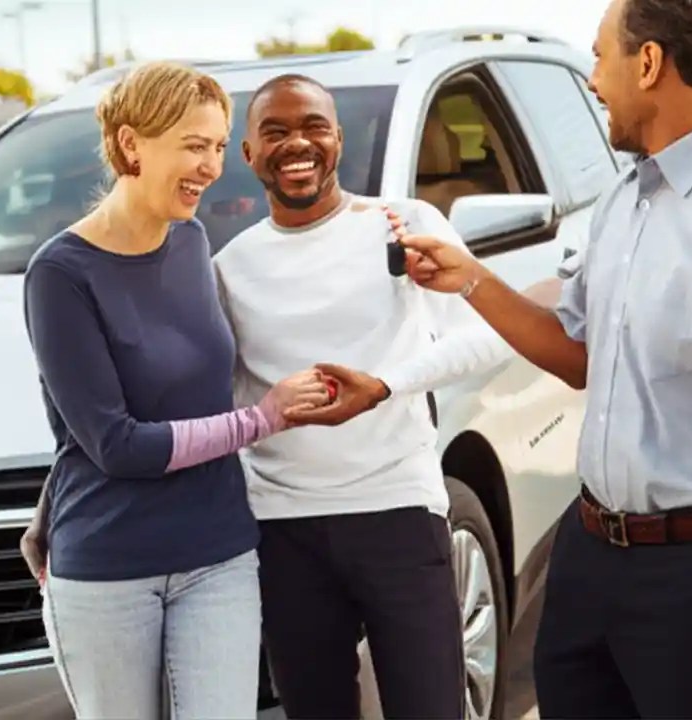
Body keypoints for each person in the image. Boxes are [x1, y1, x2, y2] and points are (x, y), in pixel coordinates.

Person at [395, 0, 692, 717]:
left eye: (601, 55)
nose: (593, 78)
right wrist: (469, 278)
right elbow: (579, 355)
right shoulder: (622, 203)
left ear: (648, 64)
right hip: (587, 561)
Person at [19, 62, 331, 720]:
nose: (212, 167)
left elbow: (187, 394)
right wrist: (264, 419)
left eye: (218, 147)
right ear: (131, 145)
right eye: (194, 145)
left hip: (218, 553)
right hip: (109, 568)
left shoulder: (191, 242)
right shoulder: (60, 275)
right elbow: (115, 444)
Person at [211, 73, 509, 719]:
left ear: (338, 139)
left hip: (397, 510)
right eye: (276, 131)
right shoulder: (229, 269)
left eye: (314, 126)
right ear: (248, 154)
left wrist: (384, 385)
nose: (298, 143)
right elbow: (217, 403)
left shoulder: (402, 226)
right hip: (283, 530)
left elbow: (488, 340)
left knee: (431, 707)